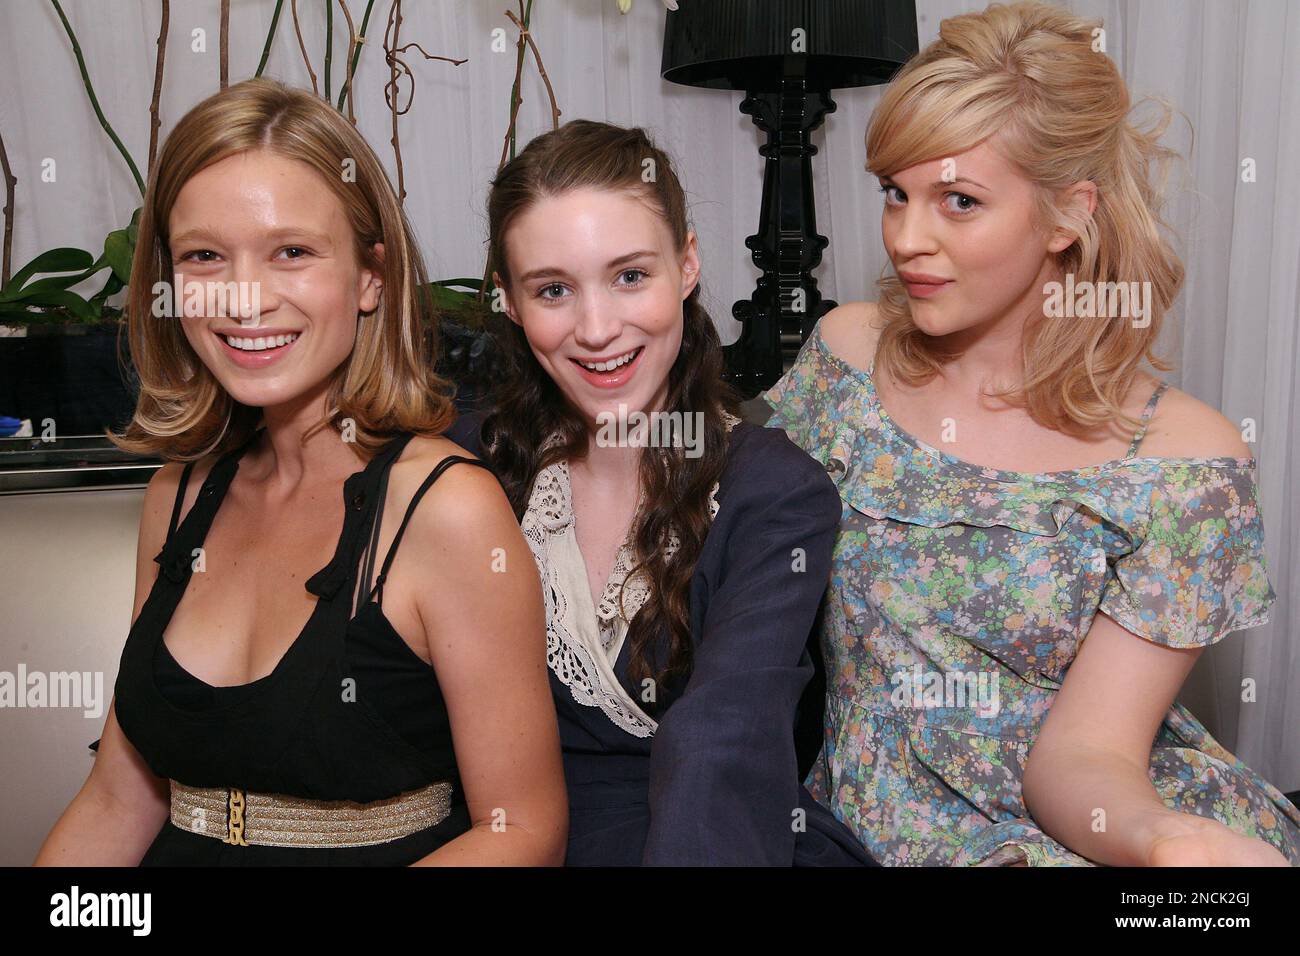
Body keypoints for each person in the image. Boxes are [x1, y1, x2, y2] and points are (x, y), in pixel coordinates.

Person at [752, 1, 1299, 866]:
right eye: (897, 193)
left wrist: (1165, 840)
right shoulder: (848, 359)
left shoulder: (1187, 464)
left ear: (1066, 216)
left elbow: (1087, 756)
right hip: (866, 830)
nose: (907, 238)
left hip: (1092, 828)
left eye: (959, 201)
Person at [35, 78, 566, 866]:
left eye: (291, 252)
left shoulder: (445, 509)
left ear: (370, 276)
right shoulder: (177, 498)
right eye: (205, 256)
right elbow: (120, 800)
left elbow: (523, 832)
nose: (245, 298)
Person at [449, 119, 875, 866]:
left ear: (687, 265)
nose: (597, 328)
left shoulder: (776, 492)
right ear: (508, 302)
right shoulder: (462, 470)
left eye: (630, 276)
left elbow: (725, 739)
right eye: (553, 289)